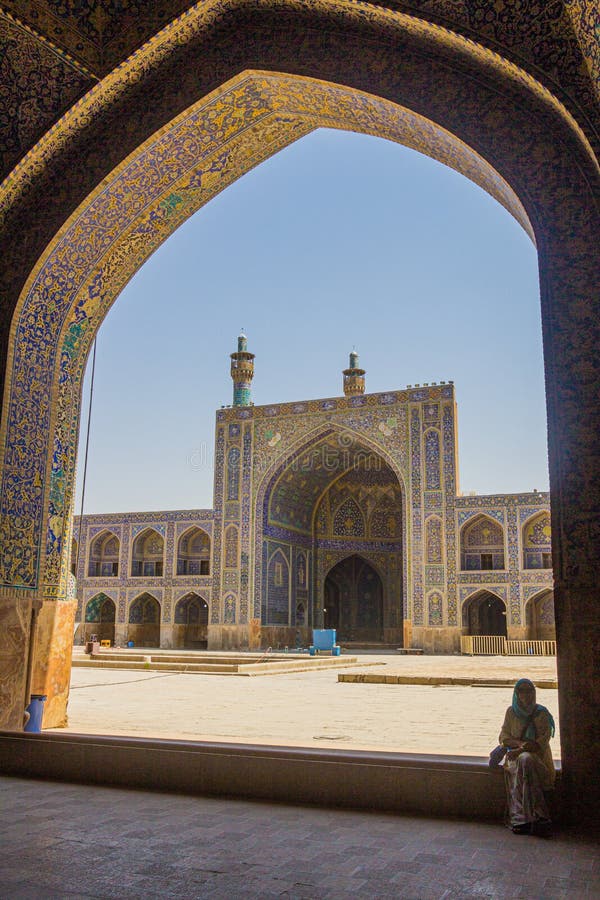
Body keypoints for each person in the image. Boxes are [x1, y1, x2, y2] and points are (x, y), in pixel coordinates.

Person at [499, 677, 556, 835]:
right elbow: (504, 737)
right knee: (525, 763)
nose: (525, 694)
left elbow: (540, 743)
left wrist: (519, 750)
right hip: (516, 759)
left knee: (526, 761)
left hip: (539, 759)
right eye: (521, 691)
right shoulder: (511, 712)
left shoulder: (541, 713)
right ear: (516, 693)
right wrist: (521, 745)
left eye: (529, 690)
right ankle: (539, 816)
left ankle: (522, 818)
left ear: (534, 692)